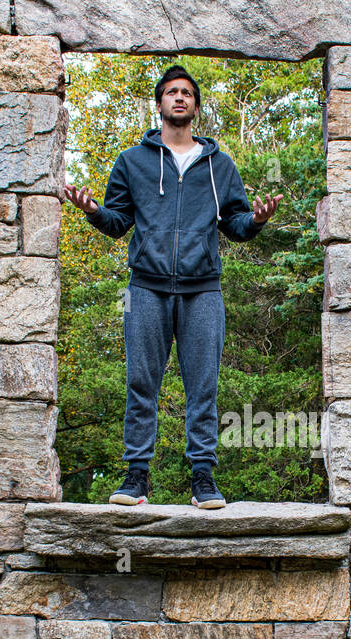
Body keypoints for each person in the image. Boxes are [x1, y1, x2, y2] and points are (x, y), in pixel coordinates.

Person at [62, 65, 283, 509]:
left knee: (204, 386)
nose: (179, 98)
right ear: (159, 103)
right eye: (171, 92)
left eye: (186, 93)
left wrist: (257, 220)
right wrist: (91, 211)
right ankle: (136, 478)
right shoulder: (132, 162)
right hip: (145, 288)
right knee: (141, 383)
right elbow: (118, 222)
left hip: (204, 289)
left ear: (195, 106)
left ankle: (203, 479)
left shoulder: (220, 165)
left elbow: (235, 225)